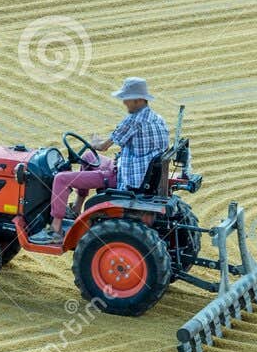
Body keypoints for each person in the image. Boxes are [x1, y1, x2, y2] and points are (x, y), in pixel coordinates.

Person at [32, 77, 170, 243]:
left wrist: (93, 142)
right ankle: (76, 208)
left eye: (126, 98)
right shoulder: (158, 119)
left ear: (139, 99)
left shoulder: (133, 121)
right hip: (140, 172)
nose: (124, 102)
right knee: (87, 157)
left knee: (61, 179)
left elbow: (103, 146)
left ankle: (55, 229)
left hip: (125, 178)